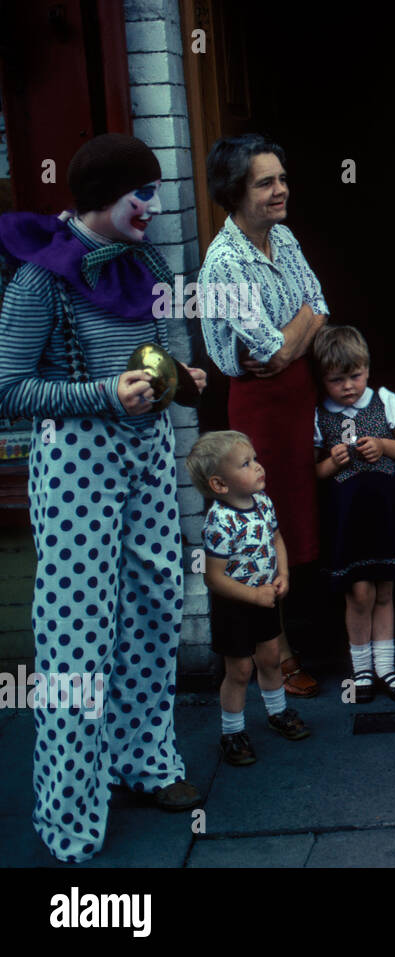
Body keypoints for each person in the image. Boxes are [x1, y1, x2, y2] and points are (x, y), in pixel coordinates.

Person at [0, 133, 206, 861]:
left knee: (154, 605)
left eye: (154, 191)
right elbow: (10, 388)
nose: (153, 205)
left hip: (147, 453)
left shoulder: (143, 262)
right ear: (102, 199)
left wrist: (175, 371)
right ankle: (68, 812)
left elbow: (143, 354)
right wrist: (102, 393)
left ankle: (146, 761)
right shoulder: (39, 280)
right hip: (77, 458)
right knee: (76, 637)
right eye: (141, 194)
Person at [198, 133, 328, 698]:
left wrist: (292, 334)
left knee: (300, 516)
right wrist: (296, 332)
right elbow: (269, 354)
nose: (281, 191)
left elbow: (319, 308)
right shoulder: (224, 263)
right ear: (234, 191)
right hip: (257, 409)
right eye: (265, 182)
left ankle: (294, 641)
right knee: (259, 523)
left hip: (297, 396)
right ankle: (278, 654)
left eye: (282, 178)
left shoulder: (285, 236)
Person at [312, 326, 395, 702]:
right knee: (359, 592)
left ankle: (387, 669)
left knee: (385, 590)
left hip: (384, 513)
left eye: (355, 375)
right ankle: (361, 673)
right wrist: (331, 462)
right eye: (337, 379)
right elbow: (311, 474)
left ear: (368, 370)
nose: (348, 386)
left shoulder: (384, 401)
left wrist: (383, 445)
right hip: (349, 520)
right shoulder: (317, 414)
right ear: (322, 379)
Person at [187, 431, 312, 764]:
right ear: (220, 485)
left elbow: (277, 540)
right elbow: (213, 578)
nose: (258, 467)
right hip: (235, 606)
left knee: (270, 657)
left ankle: (277, 712)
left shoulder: (263, 502)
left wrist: (282, 574)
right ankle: (232, 732)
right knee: (240, 669)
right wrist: (253, 596)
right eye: (246, 464)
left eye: (255, 459)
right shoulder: (219, 522)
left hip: (265, 598)